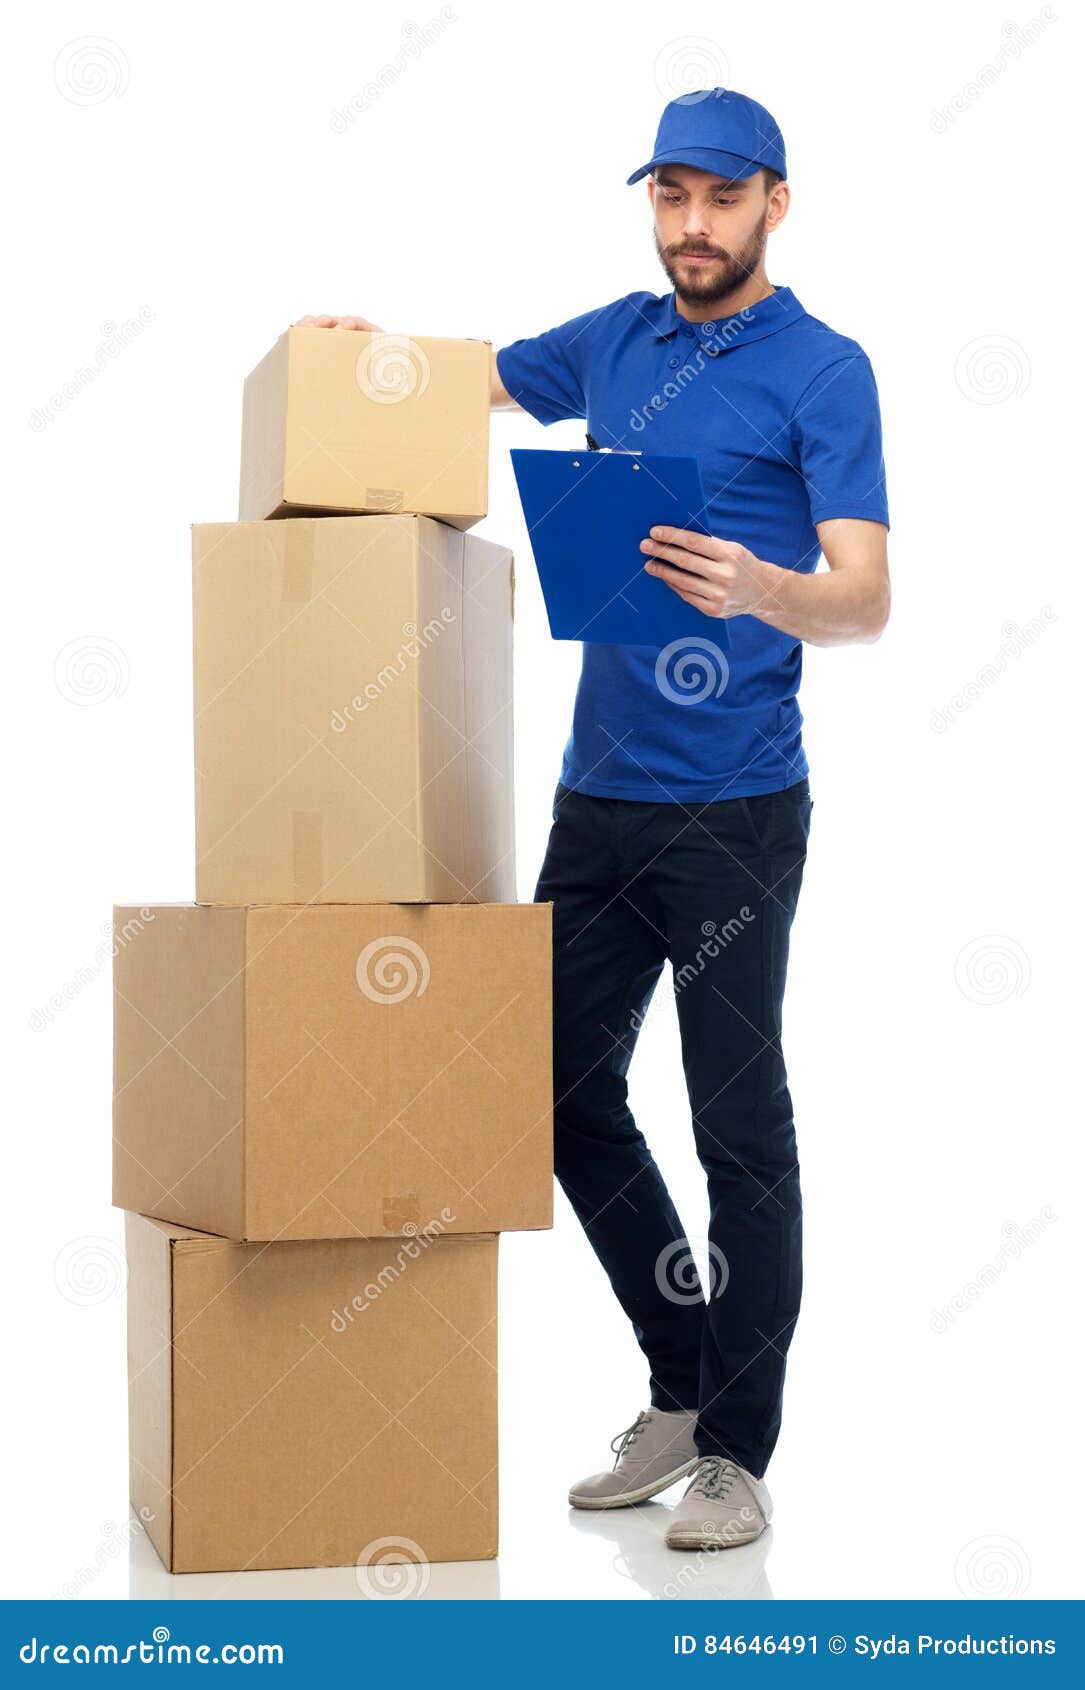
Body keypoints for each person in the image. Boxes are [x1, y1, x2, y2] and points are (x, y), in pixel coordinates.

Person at [299, 86, 890, 1552]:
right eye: (670, 196)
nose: (692, 225)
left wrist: (758, 586)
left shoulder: (824, 368)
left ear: (774, 205)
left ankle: (736, 1452)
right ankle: (681, 1385)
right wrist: (360, 357)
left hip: (736, 811)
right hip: (597, 803)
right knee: (548, 1095)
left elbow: (865, 595)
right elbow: (472, 382)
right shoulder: (617, 337)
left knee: (737, 1128)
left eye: (720, 198)